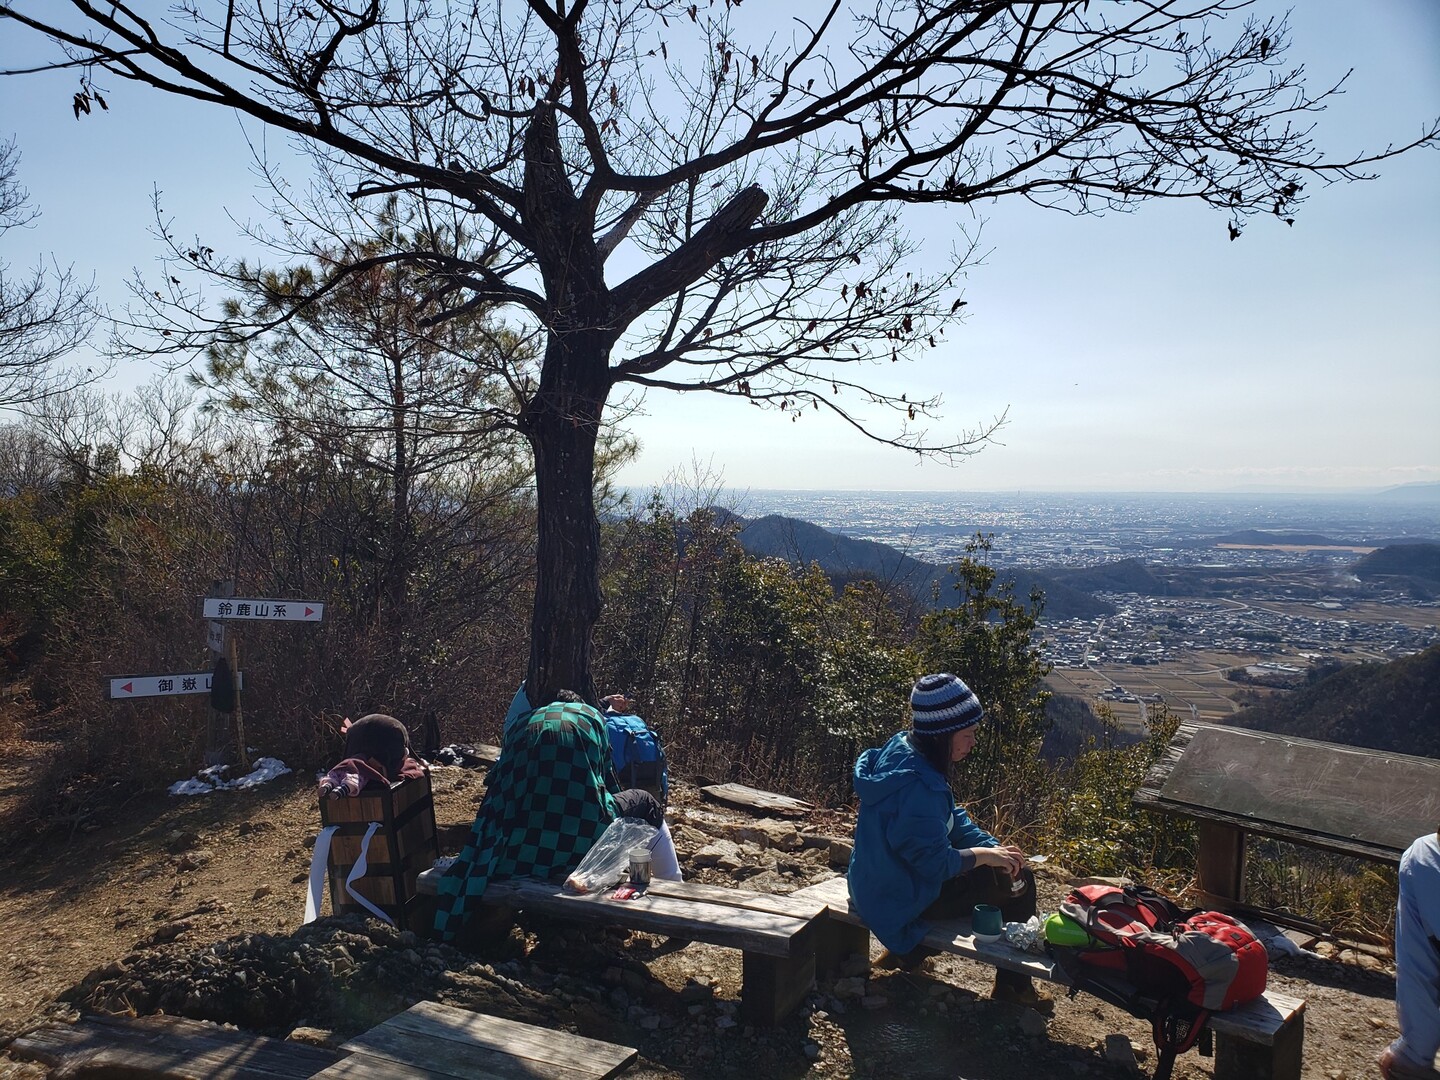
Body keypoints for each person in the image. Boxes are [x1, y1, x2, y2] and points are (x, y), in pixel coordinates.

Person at [848, 672, 1050, 1010]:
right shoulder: (920, 786)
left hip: (873, 883)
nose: (973, 743)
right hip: (897, 898)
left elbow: (950, 819)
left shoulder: (905, 750)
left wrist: (993, 848)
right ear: (942, 735)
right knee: (1019, 882)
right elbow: (935, 864)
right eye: (968, 735)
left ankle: (906, 955)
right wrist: (986, 856)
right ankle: (1014, 989)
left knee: (1000, 868)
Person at [434, 693, 680, 943]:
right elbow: (605, 777)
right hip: (581, 834)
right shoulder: (591, 718)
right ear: (579, 704)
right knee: (646, 802)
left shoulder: (521, 723)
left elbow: (499, 783)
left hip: (517, 842)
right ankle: (673, 885)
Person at [1380, 830, 1440, 1080]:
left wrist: (1414, 1052)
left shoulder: (1425, 857)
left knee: (1422, 855)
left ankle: (1414, 1057)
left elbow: (1418, 964)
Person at [318, 713, 425, 798]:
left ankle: (330, 785)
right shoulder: (370, 766)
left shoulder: (352, 756)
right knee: (355, 779)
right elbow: (404, 756)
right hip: (358, 772)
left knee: (341, 777)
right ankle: (341, 787)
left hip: (347, 768)